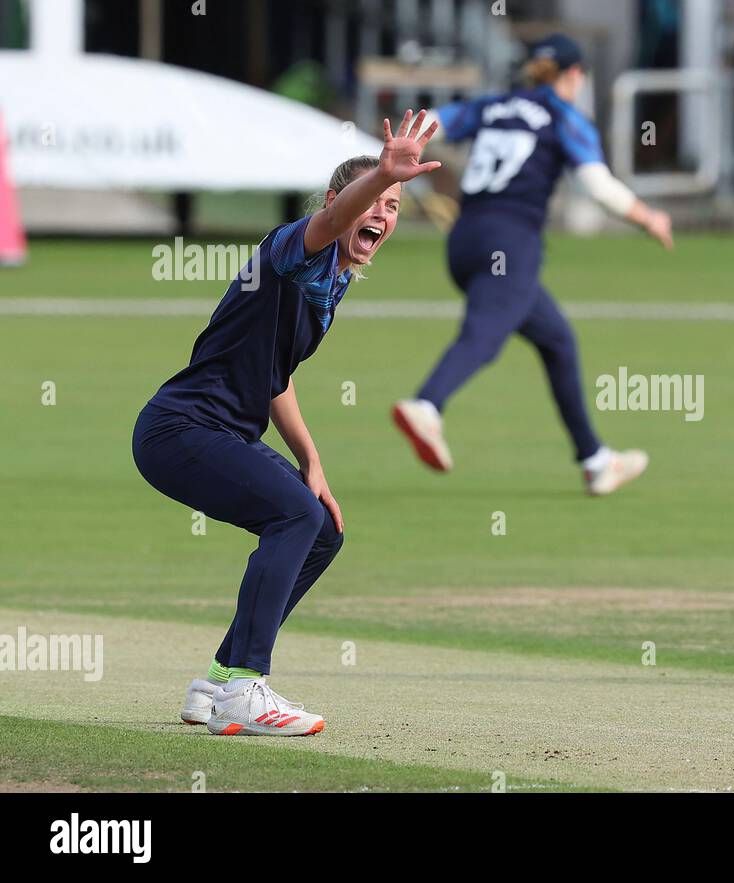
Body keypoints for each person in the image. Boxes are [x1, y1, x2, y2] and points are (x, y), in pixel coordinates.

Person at [133, 111, 441, 735]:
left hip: (218, 432)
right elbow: (328, 223)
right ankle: (246, 685)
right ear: (336, 201)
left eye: (394, 205)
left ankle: (218, 682)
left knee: (319, 525)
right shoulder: (292, 248)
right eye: (373, 199)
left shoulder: (333, 282)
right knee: (294, 516)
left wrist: (311, 460)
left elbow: (276, 376)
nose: (382, 213)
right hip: (181, 429)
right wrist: (383, 168)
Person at [392, 34, 674, 496]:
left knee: (557, 341)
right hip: (511, 244)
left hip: (464, 240)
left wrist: (394, 154)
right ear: (575, 74)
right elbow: (597, 185)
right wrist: (649, 217)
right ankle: (427, 404)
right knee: (485, 332)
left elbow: (431, 124)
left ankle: (596, 460)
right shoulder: (563, 117)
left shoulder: (494, 105)